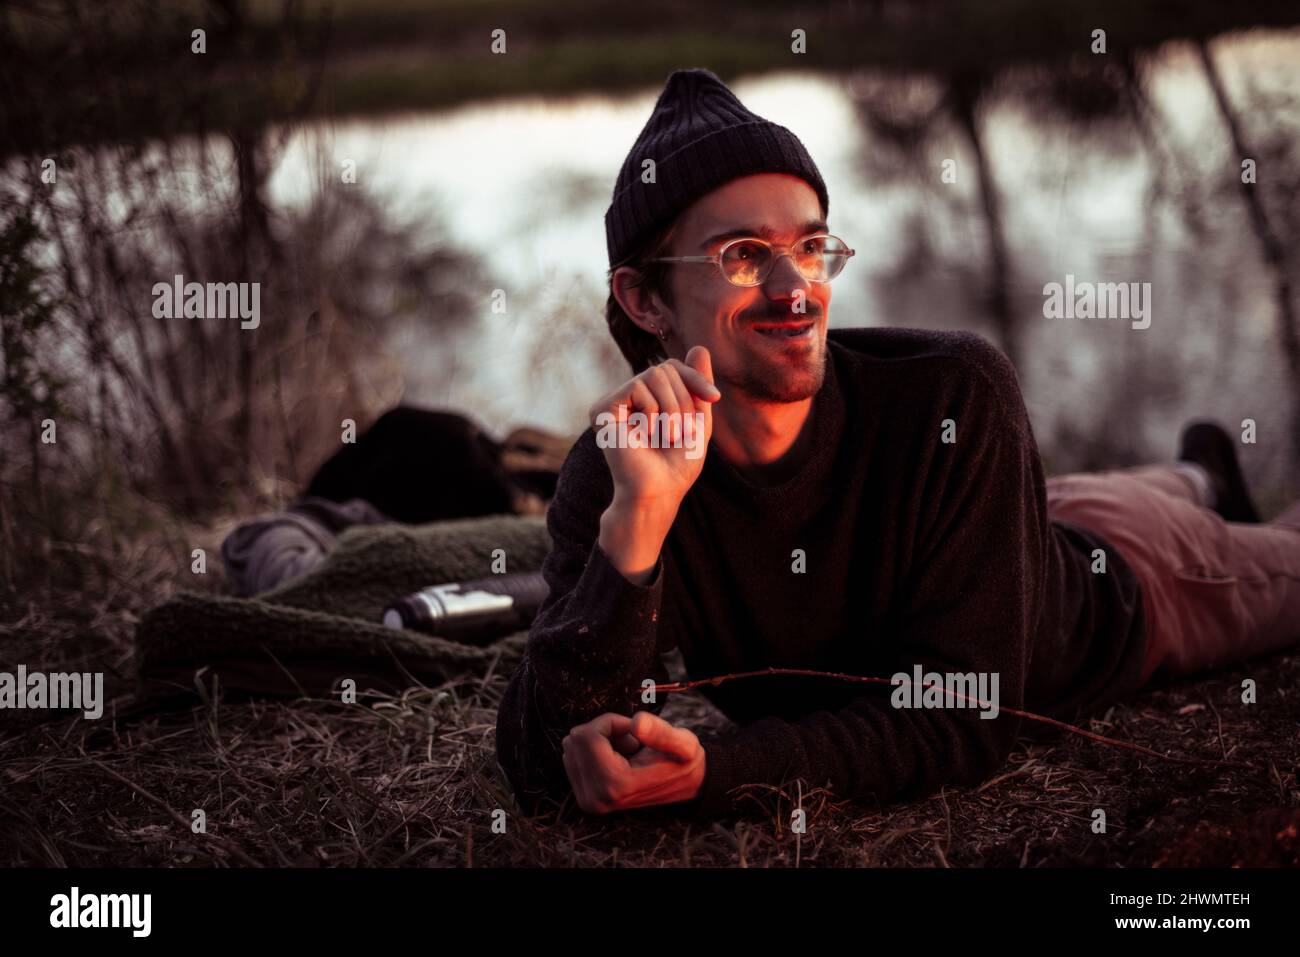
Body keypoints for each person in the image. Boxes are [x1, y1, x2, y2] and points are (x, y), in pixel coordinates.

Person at [494, 67, 1300, 817]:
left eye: (811, 247)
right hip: (995, 539)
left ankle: (1197, 484)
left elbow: (960, 720)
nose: (794, 290)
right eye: (742, 255)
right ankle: (1198, 471)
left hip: (1135, 583)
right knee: (1070, 506)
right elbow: (541, 758)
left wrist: (722, 770)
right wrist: (636, 528)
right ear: (643, 298)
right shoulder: (622, 469)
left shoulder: (953, 392)